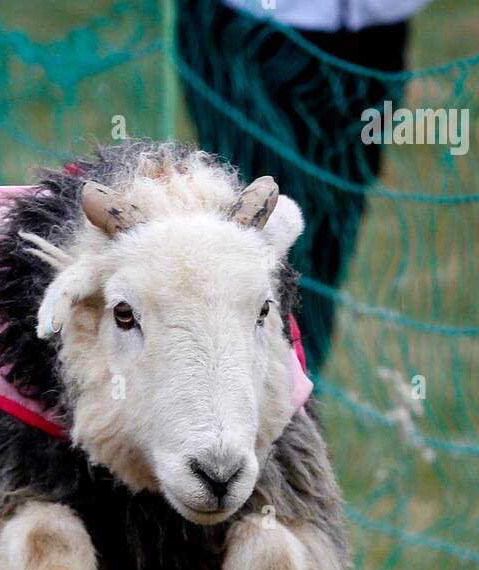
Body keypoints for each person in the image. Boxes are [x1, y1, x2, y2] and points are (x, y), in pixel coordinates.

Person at [177, 0, 431, 373]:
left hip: (377, 29)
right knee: (260, 239)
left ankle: (298, 397)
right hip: (255, 25)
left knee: (323, 256)